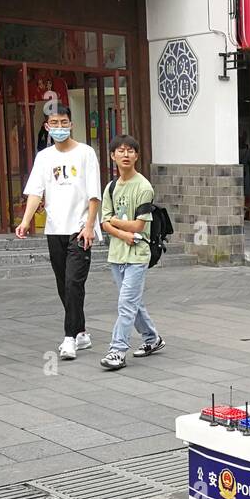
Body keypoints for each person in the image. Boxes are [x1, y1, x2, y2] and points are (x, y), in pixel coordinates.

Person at [16, 104, 101, 361]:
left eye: (64, 122)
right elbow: (35, 192)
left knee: (74, 282)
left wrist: (89, 226)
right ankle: (82, 331)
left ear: (71, 124)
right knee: (64, 284)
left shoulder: (86, 154)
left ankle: (69, 339)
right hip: (54, 229)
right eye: (55, 123)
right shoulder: (44, 157)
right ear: (47, 126)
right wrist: (25, 221)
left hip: (79, 229)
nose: (60, 128)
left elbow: (94, 194)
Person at [97, 135, 164, 370]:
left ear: (137, 155)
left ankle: (117, 351)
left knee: (126, 303)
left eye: (130, 151)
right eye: (120, 151)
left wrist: (115, 223)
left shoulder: (144, 187)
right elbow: (104, 222)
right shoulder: (111, 187)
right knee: (133, 302)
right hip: (117, 255)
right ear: (113, 155)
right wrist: (122, 233)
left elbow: (138, 226)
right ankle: (152, 339)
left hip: (138, 255)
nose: (125, 155)